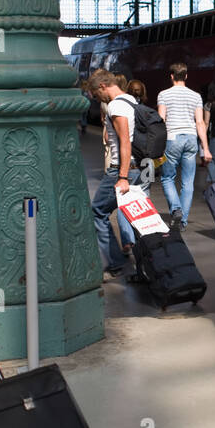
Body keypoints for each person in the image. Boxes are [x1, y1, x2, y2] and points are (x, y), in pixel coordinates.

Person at [87, 69, 138, 279]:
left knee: (97, 211)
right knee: (138, 217)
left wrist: (122, 176)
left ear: (102, 87)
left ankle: (115, 263)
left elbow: (125, 140)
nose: (99, 99)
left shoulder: (116, 105)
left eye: (97, 95)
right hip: (138, 166)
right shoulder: (131, 100)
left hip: (120, 169)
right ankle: (146, 263)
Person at [157, 62, 212, 229]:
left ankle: (175, 208)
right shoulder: (196, 96)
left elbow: (161, 121)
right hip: (190, 139)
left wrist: (158, 146)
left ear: (171, 76)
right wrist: (206, 149)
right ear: (186, 76)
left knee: (167, 178)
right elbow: (200, 122)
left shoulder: (163, 95)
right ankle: (183, 221)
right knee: (188, 182)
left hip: (172, 139)